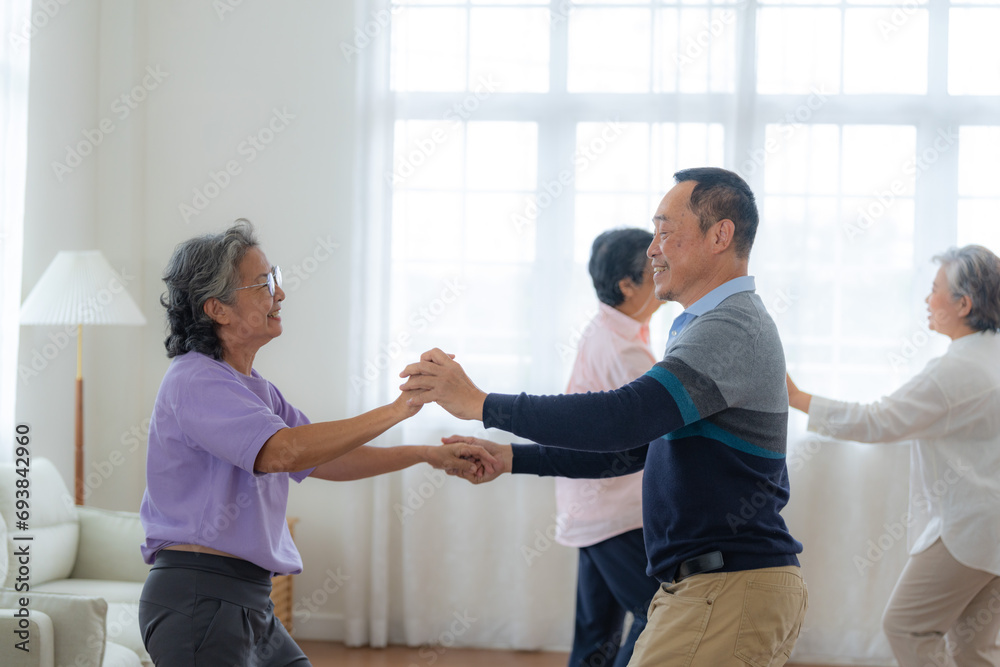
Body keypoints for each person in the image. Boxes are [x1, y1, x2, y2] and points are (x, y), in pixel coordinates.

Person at [406, 167, 808, 667]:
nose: (653, 249)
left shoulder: (730, 327)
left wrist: (482, 404)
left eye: (665, 232)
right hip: (708, 588)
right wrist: (511, 457)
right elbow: (632, 450)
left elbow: (624, 417)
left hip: (725, 589)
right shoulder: (702, 327)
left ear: (719, 235)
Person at [137, 221, 496, 666]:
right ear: (218, 309)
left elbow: (326, 459)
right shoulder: (194, 379)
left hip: (248, 600)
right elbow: (282, 452)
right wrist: (398, 408)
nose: (279, 294)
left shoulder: (256, 390)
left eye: (276, 279)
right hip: (200, 597)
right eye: (263, 283)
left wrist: (427, 454)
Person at [786, 245, 1000, 667]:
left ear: (964, 304)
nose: (927, 299)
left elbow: (878, 421)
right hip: (988, 531)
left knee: (907, 627)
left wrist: (798, 398)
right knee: (975, 646)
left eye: (935, 289)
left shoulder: (955, 370)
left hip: (972, 530)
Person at [536, 228, 665, 666]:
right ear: (628, 286)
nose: (665, 270)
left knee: (596, 636)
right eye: (656, 266)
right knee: (659, 615)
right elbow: (658, 433)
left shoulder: (610, 329)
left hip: (594, 506)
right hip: (614, 512)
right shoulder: (626, 353)